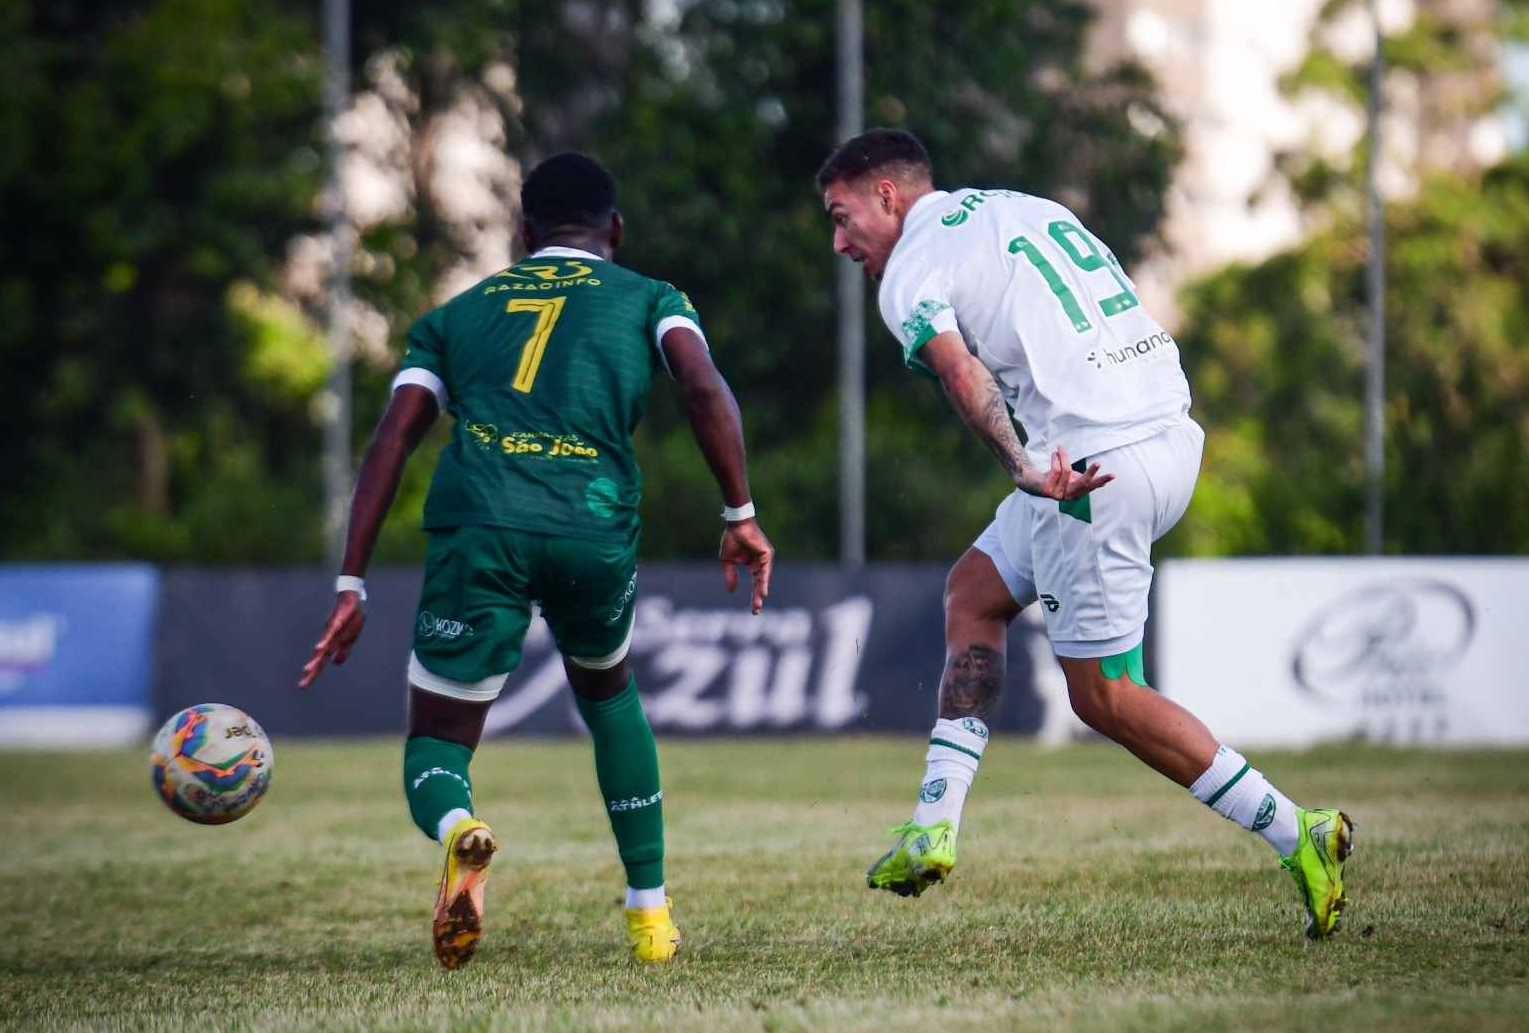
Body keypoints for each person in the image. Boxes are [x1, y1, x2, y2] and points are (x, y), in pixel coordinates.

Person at [817, 128, 1354, 939]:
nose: (838, 240)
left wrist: (1025, 469)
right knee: (974, 592)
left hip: (1089, 471)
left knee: (1104, 695)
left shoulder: (910, 272)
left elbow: (962, 373)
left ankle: (1296, 831)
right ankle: (933, 822)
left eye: (841, 214)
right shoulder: (1019, 207)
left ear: (886, 196)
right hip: (1168, 435)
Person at [300, 152, 774, 969]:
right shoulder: (652, 297)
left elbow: (393, 438)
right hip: (589, 521)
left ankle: (460, 830)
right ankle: (650, 916)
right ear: (614, 231)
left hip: (480, 519)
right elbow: (703, 387)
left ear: (524, 236)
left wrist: (351, 580)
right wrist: (739, 513)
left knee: (439, 743)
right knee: (610, 695)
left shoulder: (454, 316)